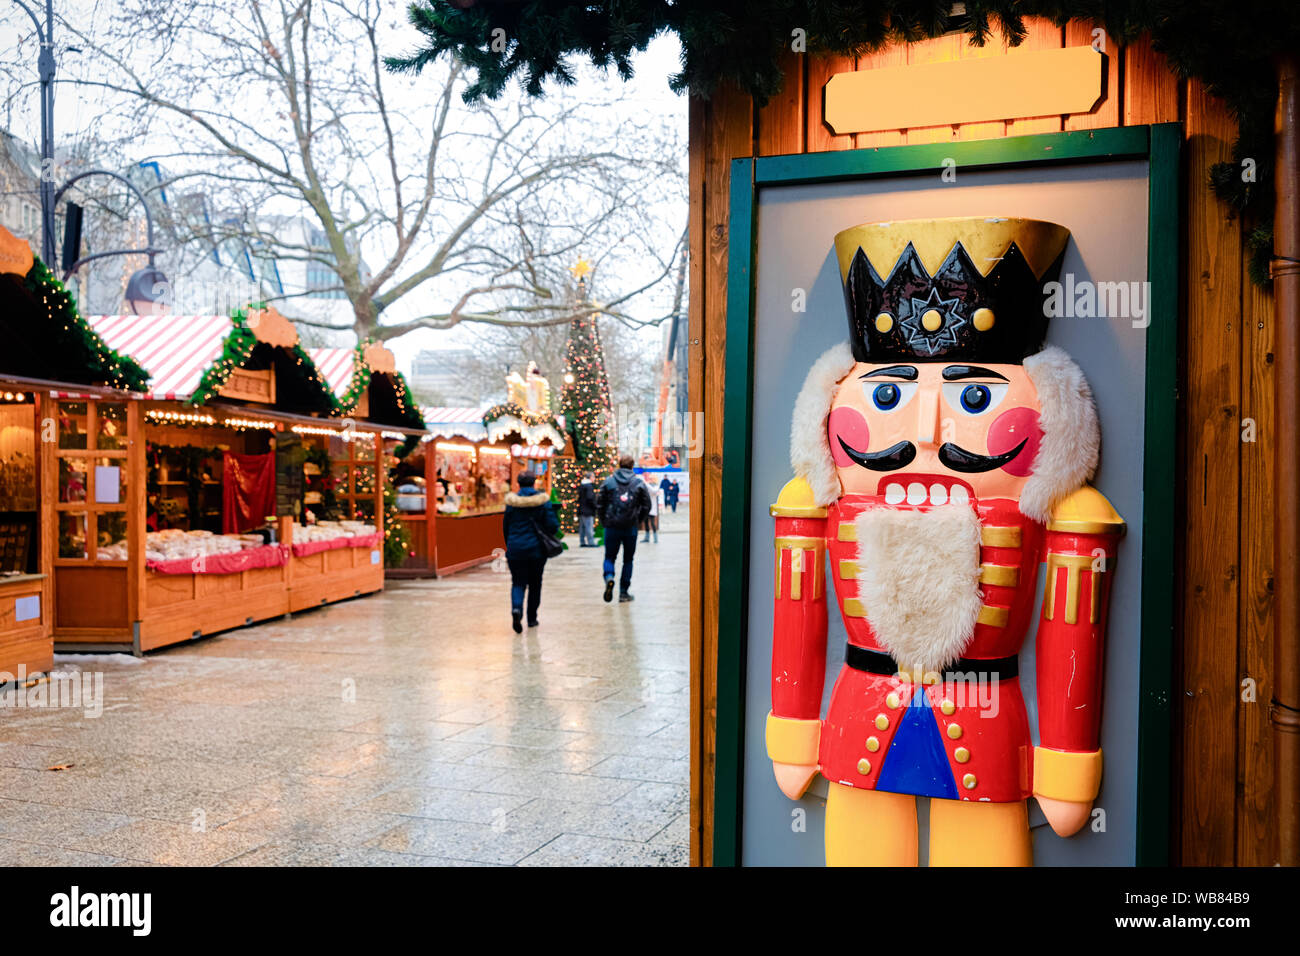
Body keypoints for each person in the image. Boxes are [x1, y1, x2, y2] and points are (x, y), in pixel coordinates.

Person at [501, 471, 558, 633]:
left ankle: (516, 609)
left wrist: (510, 544)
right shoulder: (543, 502)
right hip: (537, 550)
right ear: (534, 483)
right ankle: (532, 619)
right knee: (535, 583)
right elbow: (553, 526)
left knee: (518, 582)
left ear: (518, 484)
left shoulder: (511, 503)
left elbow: (506, 527)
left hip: (515, 549)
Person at [597, 454, 651, 603]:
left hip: (612, 526)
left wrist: (604, 521)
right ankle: (623, 593)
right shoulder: (638, 483)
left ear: (619, 465)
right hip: (630, 528)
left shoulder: (608, 482)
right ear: (632, 466)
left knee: (609, 557)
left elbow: (600, 504)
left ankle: (609, 577)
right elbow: (647, 506)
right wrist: (638, 520)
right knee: (628, 560)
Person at [577, 471, 598, 547]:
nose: (594, 478)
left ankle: (582, 542)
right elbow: (590, 498)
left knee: (582, 527)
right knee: (589, 527)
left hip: (582, 509)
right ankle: (591, 542)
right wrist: (595, 505)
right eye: (593, 477)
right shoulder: (589, 486)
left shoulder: (582, 485)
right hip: (588, 510)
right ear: (590, 477)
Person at [642, 476, 662, 543]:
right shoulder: (647, 485)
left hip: (652, 507)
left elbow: (654, 491)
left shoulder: (656, 486)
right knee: (646, 522)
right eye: (649, 478)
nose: (650, 480)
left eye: (651, 478)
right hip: (646, 506)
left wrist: (646, 483)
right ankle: (646, 538)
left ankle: (655, 538)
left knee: (652, 523)